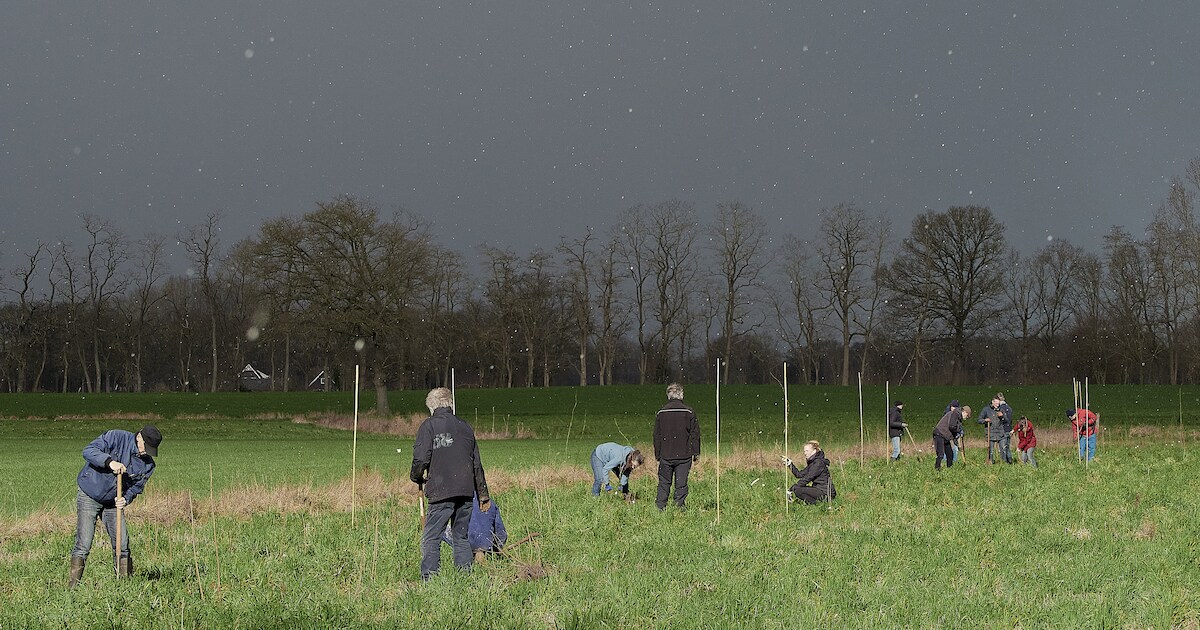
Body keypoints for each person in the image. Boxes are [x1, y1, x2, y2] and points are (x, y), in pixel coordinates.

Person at [410, 387, 491, 580]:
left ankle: (429, 580)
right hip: (465, 491)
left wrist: (416, 476)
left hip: (441, 490)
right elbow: (476, 464)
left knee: (431, 536)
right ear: (450, 404)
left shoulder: (428, 426)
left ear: (432, 406)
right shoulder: (465, 427)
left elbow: (420, 459)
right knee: (460, 537)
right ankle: (464, 578)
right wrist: (483, 495)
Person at [69, 425, 163, 587]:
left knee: (122, 545)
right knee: (83, 543)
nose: (145, 452)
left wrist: (126, 499)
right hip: (90, 494)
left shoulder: (148, 465)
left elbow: (136, 487)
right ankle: (72, 587)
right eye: (145, 447)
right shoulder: (115, 437)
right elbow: (88, 451)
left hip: (113, 502)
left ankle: (123, 587)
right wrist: (109, 462)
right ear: (139, 437)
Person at [653, 382, 701, 511]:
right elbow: (695, 434)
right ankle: (679, 508)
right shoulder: (689, 412)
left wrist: (658, 454)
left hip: (666, 454)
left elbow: (657, 435)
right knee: (681, 483)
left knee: (664, 483)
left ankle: (660, 507)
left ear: (668, 395)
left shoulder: (661, 413)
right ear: (681, 395)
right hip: (684, 455)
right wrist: (696, 453)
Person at [442, 493, 507, 564]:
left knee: (440, 529)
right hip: (485, 543)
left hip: (464, 542)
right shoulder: (490, 503)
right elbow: (500, 531)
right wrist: (497, 547)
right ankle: (479, 553)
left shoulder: (456, 501)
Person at [977, 394, 1014, 464]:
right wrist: (985, 420)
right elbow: (979, 420)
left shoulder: (1001, 409)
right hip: (990, 433)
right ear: (992, 402)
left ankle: (1004, 463)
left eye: (998, 403)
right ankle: (990, 462)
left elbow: (1006, 420)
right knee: (990, 450)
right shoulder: (986, 409)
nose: (997, 405)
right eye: (996, 403)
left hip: (1000, 433)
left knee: (1003, 449)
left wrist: (1002, 416)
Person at [934, 405, 971, 470]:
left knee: (950, 454)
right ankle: (937, 470)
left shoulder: (958, 417)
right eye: (967, 416)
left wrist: (956, 440)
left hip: (945, 436)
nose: (966, 418)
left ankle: (950, 469)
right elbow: (952, 426)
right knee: (940, 454)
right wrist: (958, 431)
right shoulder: (955, 414)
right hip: (940, 433)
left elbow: (954, 429)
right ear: (964, 412)